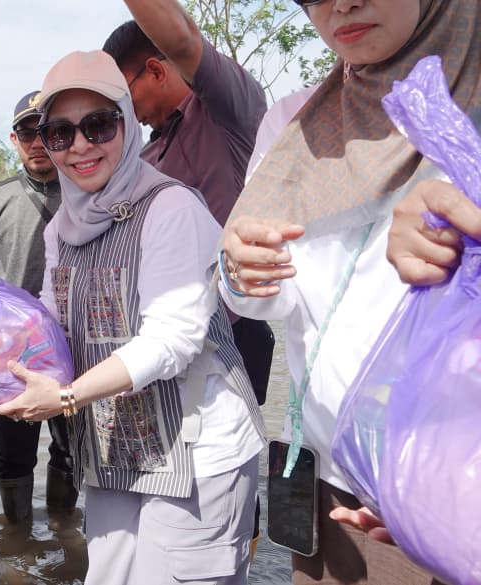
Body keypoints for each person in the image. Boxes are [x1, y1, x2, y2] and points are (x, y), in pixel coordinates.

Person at [218, 0, 477, 582]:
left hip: (447, 482)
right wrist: (240, 271)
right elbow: (268, 299)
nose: (341, 4)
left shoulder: (471, 107)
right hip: (324, 475)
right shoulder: (293, 124)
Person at [0, 50, 265, 585]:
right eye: (60, 133)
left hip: (196, 454)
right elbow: (50, 327)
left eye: (98, 125)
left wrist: (65, 397)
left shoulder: (171, 208)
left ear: (127, 122)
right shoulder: (61, 229)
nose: (80, 146)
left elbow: (171, 340)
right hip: (115, 450)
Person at [104, 0, 275, 412]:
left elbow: (182, 40)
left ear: (156, 70)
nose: (124, 113)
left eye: (124, 96)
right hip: (167, 337)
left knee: (233, 445)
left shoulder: (227, 110)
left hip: (233, 327)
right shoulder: (146, 159)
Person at [0, 89, 76, 523]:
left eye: (45, 132)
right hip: (14, 357)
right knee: (14, 456)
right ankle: (17, 540)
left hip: (75, 349)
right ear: (14, 140)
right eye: (26, 134)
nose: (36, 143)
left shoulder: (85, 193)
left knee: (70, 451)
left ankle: (65, 531)